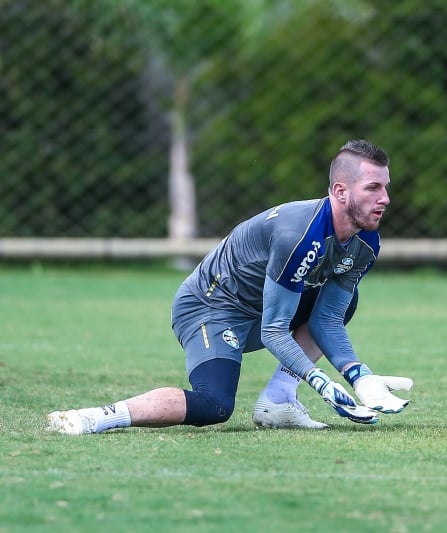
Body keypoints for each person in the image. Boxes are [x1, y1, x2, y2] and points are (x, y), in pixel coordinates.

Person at [46, 139, 412, 435]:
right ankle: (96, 417)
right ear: (340, 191)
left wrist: (359, 377)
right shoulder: (298, 235)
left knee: (346, 301)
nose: (385, 199)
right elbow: (273, 330)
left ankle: (278, 401)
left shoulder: (367, 240)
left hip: (263, 308)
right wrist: (321, 382)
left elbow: (327, 319)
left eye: (386, 187)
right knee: (215, 404)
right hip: (211, 308)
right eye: (373, 188)